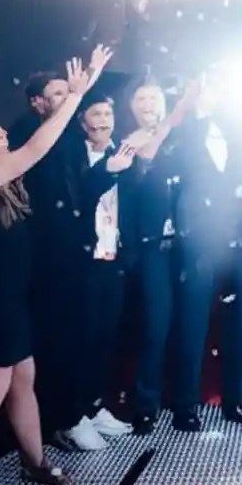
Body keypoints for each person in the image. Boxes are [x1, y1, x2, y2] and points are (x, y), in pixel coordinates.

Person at [0, 51, 110, 485]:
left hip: (10, 301)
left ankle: (33, 461)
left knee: (23, 380)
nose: (3, 132)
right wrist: (75, 97)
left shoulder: (0, 182)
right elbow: (38, 148)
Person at [9, 70, 125, 451]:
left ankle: (87, 406)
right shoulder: (30, 131)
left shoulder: (73, 140)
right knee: (60, 339)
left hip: (81, 250)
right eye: (57, 92)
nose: (67, 96)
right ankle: (64, 418)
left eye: (68, 91)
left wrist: (109, 170)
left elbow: (84, 193)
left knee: (91, 333)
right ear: (37, 102)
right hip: (48, 255)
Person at [169, 75, 242, 431]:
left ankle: (236, 402)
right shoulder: (187, 133)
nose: (215, 96)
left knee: (239, 321)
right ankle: (185, 405)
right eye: (209, 89)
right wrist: (194, 109)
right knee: (192, 322)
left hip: (237, 235)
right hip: (198, 238)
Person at [60, 94, 150, 447]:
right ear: (82, 121)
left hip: (116, 256)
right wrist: (106, 169)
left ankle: (96, 405)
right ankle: (73, 415)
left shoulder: (126, 153)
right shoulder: (71, 154)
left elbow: (136, 202)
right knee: (81, 337)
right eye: (95, 113)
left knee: (106, 337)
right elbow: (77, 197)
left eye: (108, 113)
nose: (103, 119)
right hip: (82, 259)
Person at [123, 79, 195, 435]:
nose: (147, 102)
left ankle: (186, 405)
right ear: (132, 106)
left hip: (189, 244)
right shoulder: (129, 143)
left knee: (190, 328)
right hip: (150, 246)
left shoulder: (183, 141)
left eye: (153, 96)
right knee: (155, 328)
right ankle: (146, 405)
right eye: (140, 96)